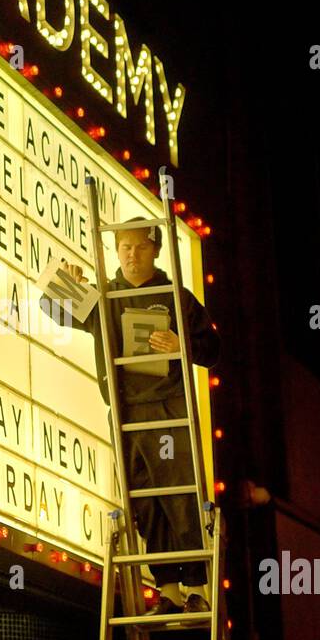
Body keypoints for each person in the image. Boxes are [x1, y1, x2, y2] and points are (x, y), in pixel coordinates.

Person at [38, 220, 221, 616]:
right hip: (124, 411)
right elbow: (51, 308)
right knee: (144, 501)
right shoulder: (103, 296)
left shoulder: (177, 297)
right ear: (116, 251)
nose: (131, 255)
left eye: (139, 247)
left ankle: (196, 588)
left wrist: (181, 345)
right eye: (124, 248)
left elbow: (213, 348)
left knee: (178, 495)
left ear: (154, 250)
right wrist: (67, 282)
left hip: (168, 408)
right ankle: (169, 591)